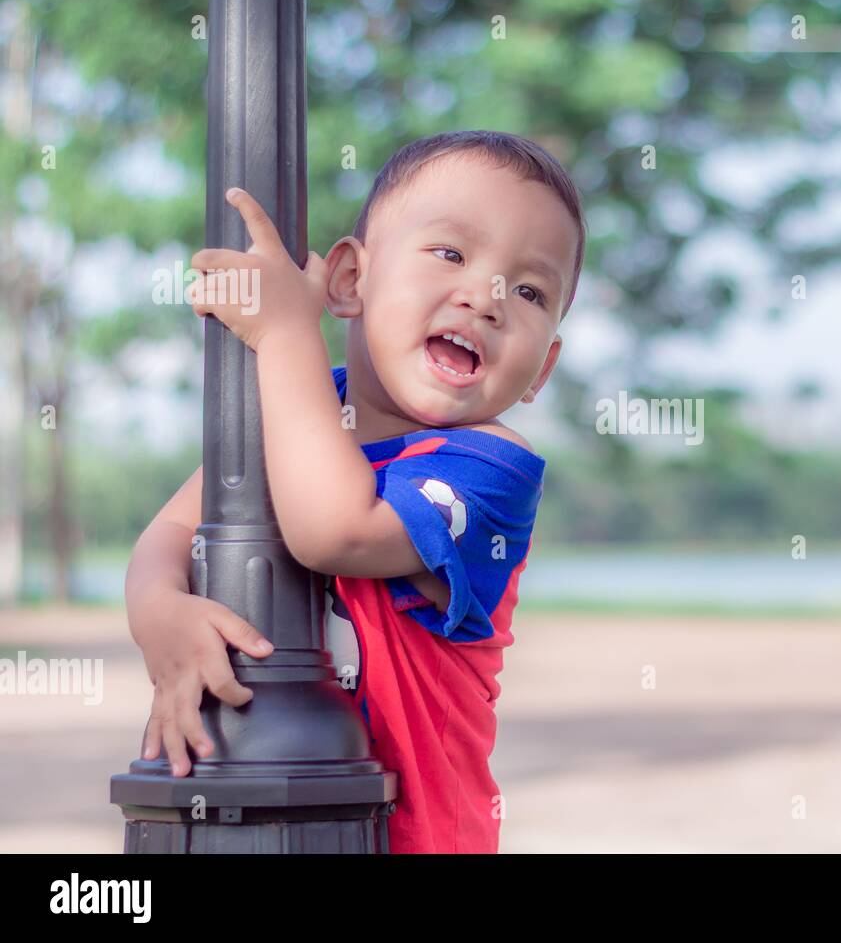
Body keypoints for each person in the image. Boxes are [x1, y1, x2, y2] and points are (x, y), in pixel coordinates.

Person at [124, 130, 586, 853]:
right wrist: (157, 610)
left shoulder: (490, 468)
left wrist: (284, 334)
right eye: (451, 254)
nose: (487, 298)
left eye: (529, 291)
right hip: (279, 808)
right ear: (348, 282)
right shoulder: (304, 402)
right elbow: (175, 530)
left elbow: (335, 528)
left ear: (542, 369)